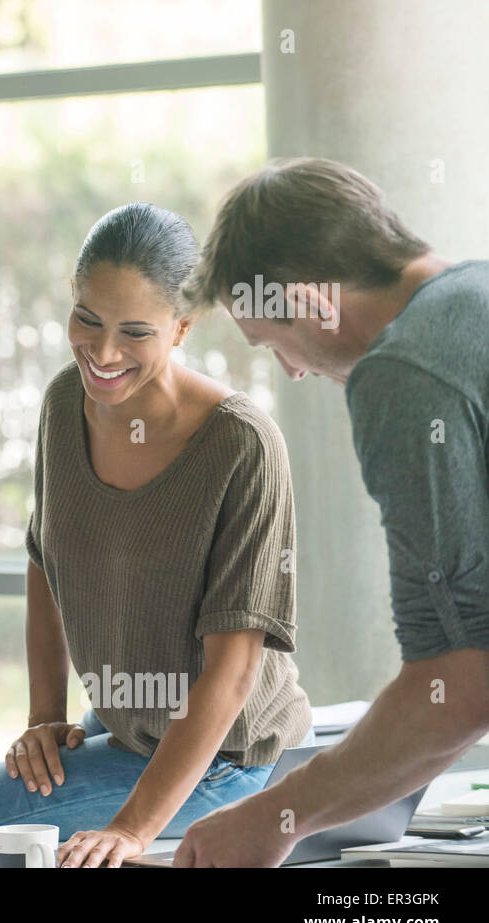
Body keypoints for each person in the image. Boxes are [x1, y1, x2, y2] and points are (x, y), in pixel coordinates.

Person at [0, 203, 314, 867]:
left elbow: (232, 673)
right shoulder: (65, 402)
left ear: (181, 327)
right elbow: (44, 559)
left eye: (135, 332)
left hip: (228, 758)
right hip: (123, 726)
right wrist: (43, 716)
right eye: (87, 319)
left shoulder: (242, 445)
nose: (104, 352)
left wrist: (133, 828)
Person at [175, 157, 489, 867]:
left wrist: (274, 817)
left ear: (313, 302)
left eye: (273, 340)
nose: (291, 369)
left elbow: (461, 681)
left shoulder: (405, 372)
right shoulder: (476, 294)